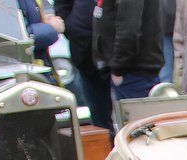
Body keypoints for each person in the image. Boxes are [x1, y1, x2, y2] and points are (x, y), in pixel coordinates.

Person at [97, 0, 168, 120]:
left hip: (133, 72)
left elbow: (129, 30)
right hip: (130, 71)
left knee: (140, 129)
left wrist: (118, 68)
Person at [57, 0, 110, 130]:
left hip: (119, 54)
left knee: (128, 118)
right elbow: (62, 7)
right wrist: (73, 27)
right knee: (99, 120)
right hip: (85, 54)